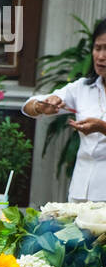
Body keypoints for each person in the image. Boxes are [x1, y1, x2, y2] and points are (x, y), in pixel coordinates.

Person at [22, 18, 106, 201]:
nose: (100, 56)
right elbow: (28, 106)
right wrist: (42, 106)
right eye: (97, 48)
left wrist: (102, 128)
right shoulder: (83, 87)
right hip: (79, 191)